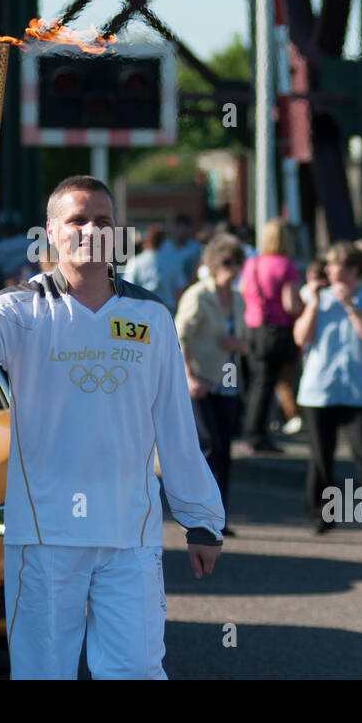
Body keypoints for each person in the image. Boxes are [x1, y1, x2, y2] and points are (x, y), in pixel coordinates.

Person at [0, 175, 224, 679]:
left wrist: (200, 517)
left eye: (102, 221)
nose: (91, 230)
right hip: (44, 533)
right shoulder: (18, 309)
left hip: (129, 533)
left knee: (136, 670)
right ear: (51, 232)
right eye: (77, 220)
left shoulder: (150, 316)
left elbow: (175, 425)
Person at [294, 242, 362, 538]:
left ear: (352, 270)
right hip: (320, 389)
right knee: (320, 456)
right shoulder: (314, 296)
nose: (328, 269)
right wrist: (314, 302)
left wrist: (351, 306)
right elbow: (301, 337)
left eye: (334, 264)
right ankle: (319, 515)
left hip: (360, 390)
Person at [176, 234, 247, 533]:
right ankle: (199, 515)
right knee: (208, 447)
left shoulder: (239, 299)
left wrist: (239, 345)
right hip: (200, 381)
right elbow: (180, 337)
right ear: (214, 263)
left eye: (238, 262)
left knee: (224, 451)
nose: (233, 268)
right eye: (227, 262)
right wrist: (189, 376)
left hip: (227, 381)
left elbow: (245, 342)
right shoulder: (198, 295)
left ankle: (219, 516)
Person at [239, 218, 303, 451]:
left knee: (258, 383)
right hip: (276, 330)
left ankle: (253, 432)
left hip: (253, 329)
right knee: (270, 384)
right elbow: (290, 305)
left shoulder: (253, 263)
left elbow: (242, 291)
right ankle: (257, 435)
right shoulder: (286, 265)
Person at [124, 225, 185, 309]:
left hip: (142, 310)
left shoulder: (135, 262)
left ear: (145, 242)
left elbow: (127, 289)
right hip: (167, 311)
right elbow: (179, 290)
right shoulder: (173, 262)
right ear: (162, 242)